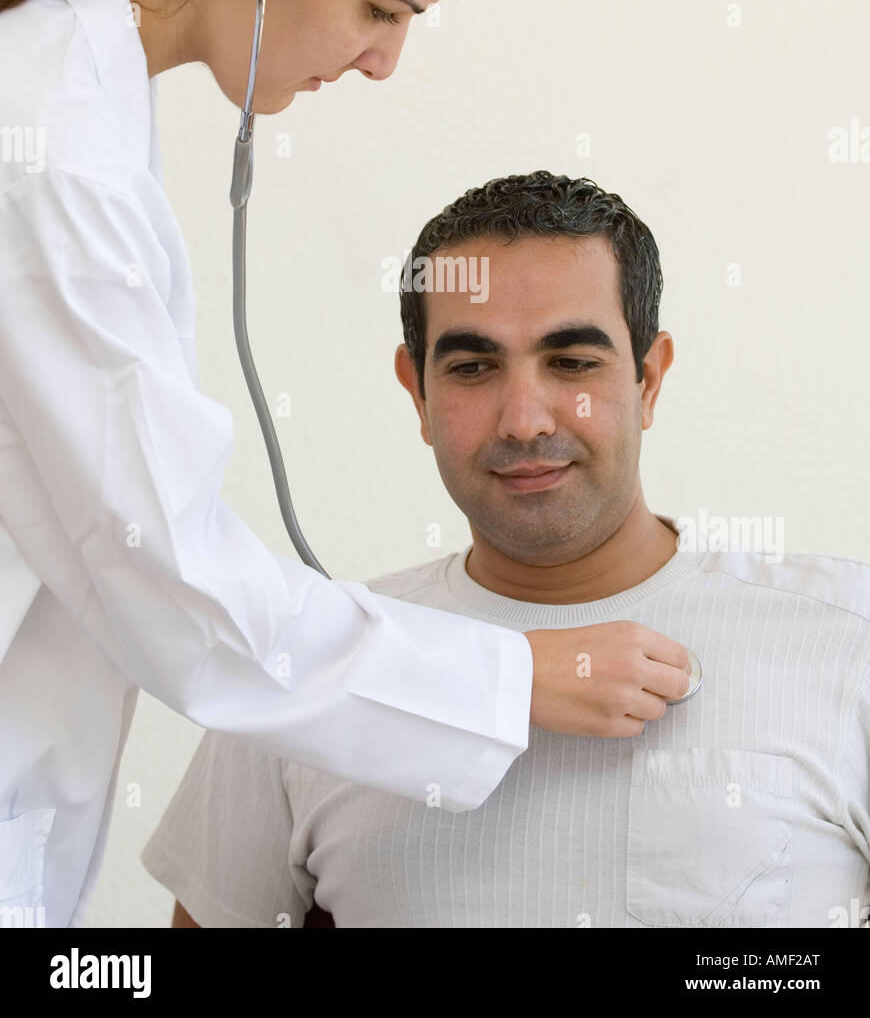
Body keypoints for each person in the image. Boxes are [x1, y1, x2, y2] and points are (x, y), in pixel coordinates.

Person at [0, 0, 689, 930]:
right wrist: (504, 676)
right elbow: (166, 577)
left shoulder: (73, 101)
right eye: (386, 7)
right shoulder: (48, 149)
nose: (383, 62)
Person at [143, 172, 870, 929]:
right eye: (473, 368)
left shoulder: (849, 642)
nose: (524, 420)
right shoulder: (312, 667)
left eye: (573, 363)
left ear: (648, 380)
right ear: (417, 394)